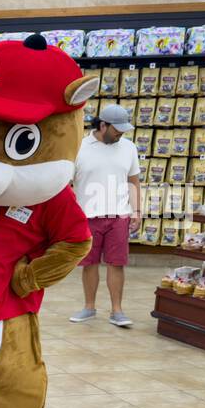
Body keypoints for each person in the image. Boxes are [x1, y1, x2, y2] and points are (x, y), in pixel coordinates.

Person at [70, 103, 141, 326]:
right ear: (103, 125)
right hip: (87, 216)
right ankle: (89, 307)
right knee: (89, 263)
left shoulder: (129, 148)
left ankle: (117, 311)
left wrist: (137, 210)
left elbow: (134, 181)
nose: (120, 134)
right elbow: (67, 184)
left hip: (119, 215)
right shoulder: (79, 147)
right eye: (116, 130)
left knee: (116, 263)